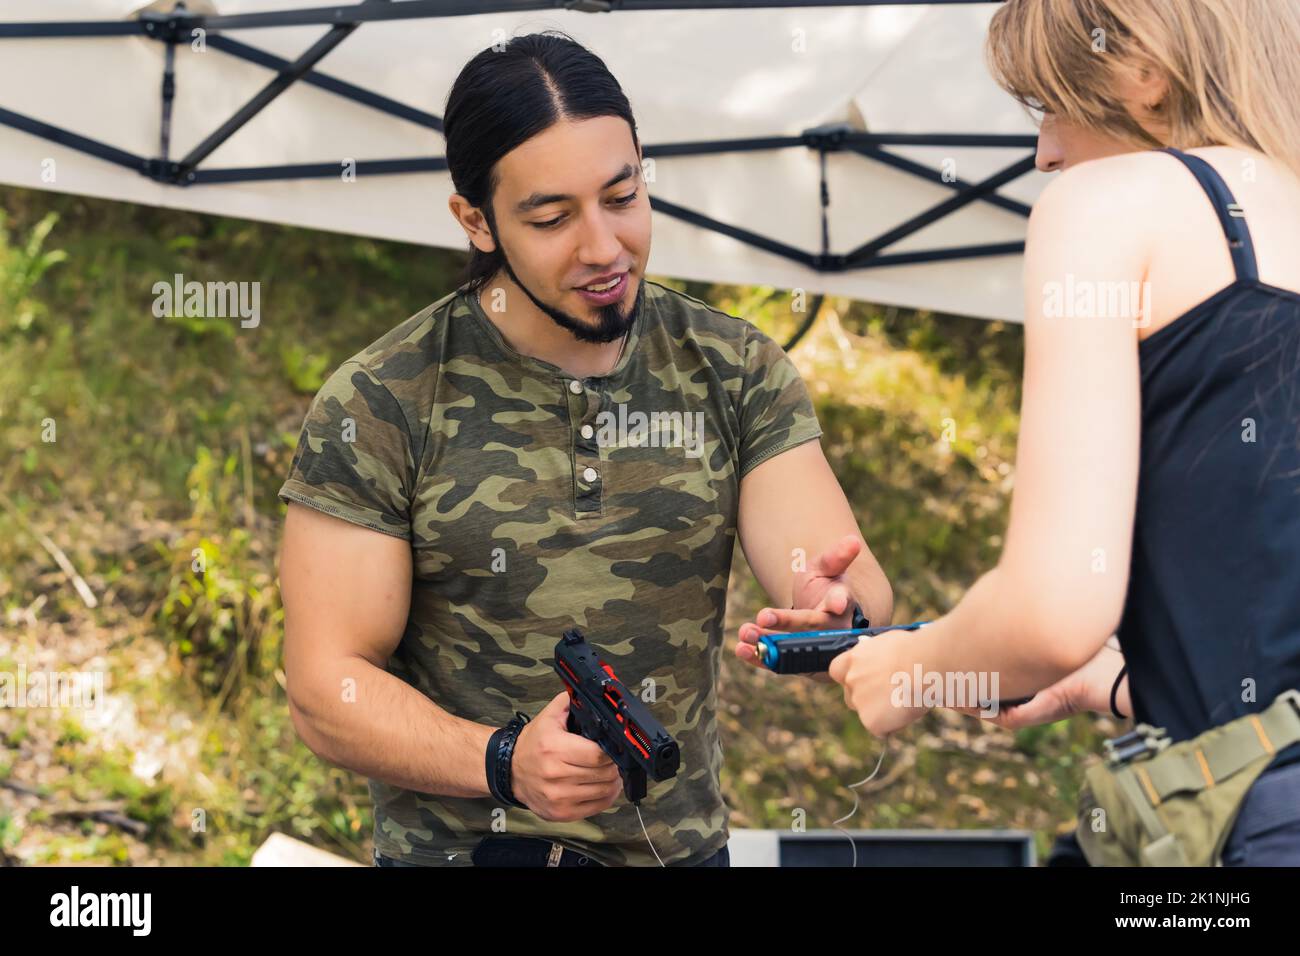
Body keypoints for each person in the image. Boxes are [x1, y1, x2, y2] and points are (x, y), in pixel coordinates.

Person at [278, 31, 893, 867]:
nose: (603, 247)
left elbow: (841, 579)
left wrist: (835, 610)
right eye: (552, 216)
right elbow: (325, 689)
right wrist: (502, 762)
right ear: (476, 220)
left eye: (622, 195)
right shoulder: (384, 399)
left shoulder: (735, 368)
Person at [738, 0, 1300, 865]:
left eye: (1049, 104)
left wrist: (912, 669)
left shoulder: (1113, 206)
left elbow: (1052, 608)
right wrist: (1115, 680)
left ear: (1141, 74)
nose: (1044, 152)